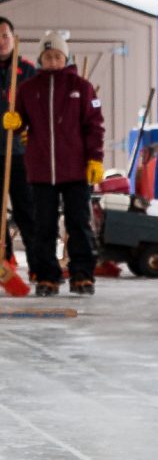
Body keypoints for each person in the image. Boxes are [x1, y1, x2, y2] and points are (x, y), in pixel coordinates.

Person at [4, 30, 104, 296]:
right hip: (40, 171)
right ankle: (47, 275)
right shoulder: (28, 89)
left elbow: (94, 126)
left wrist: (95, 158)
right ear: (40, 59)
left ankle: (83, 273)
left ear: (65, 57)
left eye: (57, 56)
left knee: (78, 224)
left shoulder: (81, 88)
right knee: (43, 226)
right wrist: (14, 122)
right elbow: (21, 120)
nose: (52, 61)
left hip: (75, 169)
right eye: (47, 56)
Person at [0, 18, 37, 275]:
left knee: (28, 213)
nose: (0, 42)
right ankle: (5, 263)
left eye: (4, 35)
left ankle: (38, 265)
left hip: (21, 155)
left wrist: (25, 124)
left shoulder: (27, 71)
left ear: (14, 37)